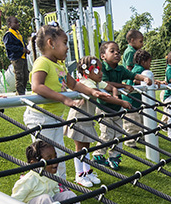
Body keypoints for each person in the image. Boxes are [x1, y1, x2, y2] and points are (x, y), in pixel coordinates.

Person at [23, 24, 109, 180]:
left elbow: (74, 84)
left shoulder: (60, 65)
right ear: (51, 43)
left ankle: (59, 184)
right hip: (40, 117)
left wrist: (92, 91)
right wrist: (63, 98)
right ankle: (42, 183)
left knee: (58, 154)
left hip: (54, 117)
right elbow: (37, 86)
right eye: (64, 43)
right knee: (45, 155)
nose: (67, 47)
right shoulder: (42, 62)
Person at [67, 56, 130, 187]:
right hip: (79, 119)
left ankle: (87, 171)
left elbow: (108, 86)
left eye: (101, 70)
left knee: (86, 147)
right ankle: (80, 174)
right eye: (98, 70)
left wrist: (114, 90)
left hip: (87, 119)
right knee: (80, 148)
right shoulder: (87, 83)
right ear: (87, 72)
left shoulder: (94, 82)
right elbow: (103, 97)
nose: (101, 73)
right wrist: (121, 102)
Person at [4, 140, 87, 204]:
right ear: (34, 163)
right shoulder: (28, 180)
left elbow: (55, 189)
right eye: (49, 158)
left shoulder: (53, 174)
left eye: (55, 157)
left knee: (68, 194)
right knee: (44, 198)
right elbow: (12, 203)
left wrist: (60, 203)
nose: (54, 161)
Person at [96, 41, 154, 168]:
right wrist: (123, 85)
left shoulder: (120, 69)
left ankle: (115, 157)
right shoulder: (102, 68)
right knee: (107, 134)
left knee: (118, 133)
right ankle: (98, 154)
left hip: (117, 107)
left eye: (118, 51)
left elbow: (133, 75)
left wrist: (144, 78)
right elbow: (106, 84)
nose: (117, 53)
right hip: (104, 107)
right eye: (112, 51)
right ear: (103, 56)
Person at [122, 49, 155, 149]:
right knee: (132, 123)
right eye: (149, 62)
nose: (150, 65)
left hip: (137, 101)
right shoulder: (138, 70)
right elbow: (135, 80)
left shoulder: (141, 69)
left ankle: (139, 137)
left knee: (140, 121)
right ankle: (129, 141)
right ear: (143, 62)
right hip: (130, 101)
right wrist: (143, 82)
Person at [2, 16, 30, 95]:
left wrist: (26, 49)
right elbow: (9, 46)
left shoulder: (18, 34)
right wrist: (21, 49)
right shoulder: (9, 35)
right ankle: (20, 93)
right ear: (9, 24)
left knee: (25, 75)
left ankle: (23, 91)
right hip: (16, 58)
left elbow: (21, 43)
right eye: (16, 22)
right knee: (19, 75)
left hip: (23, 57)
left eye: (18, 22)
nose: (18, 24)